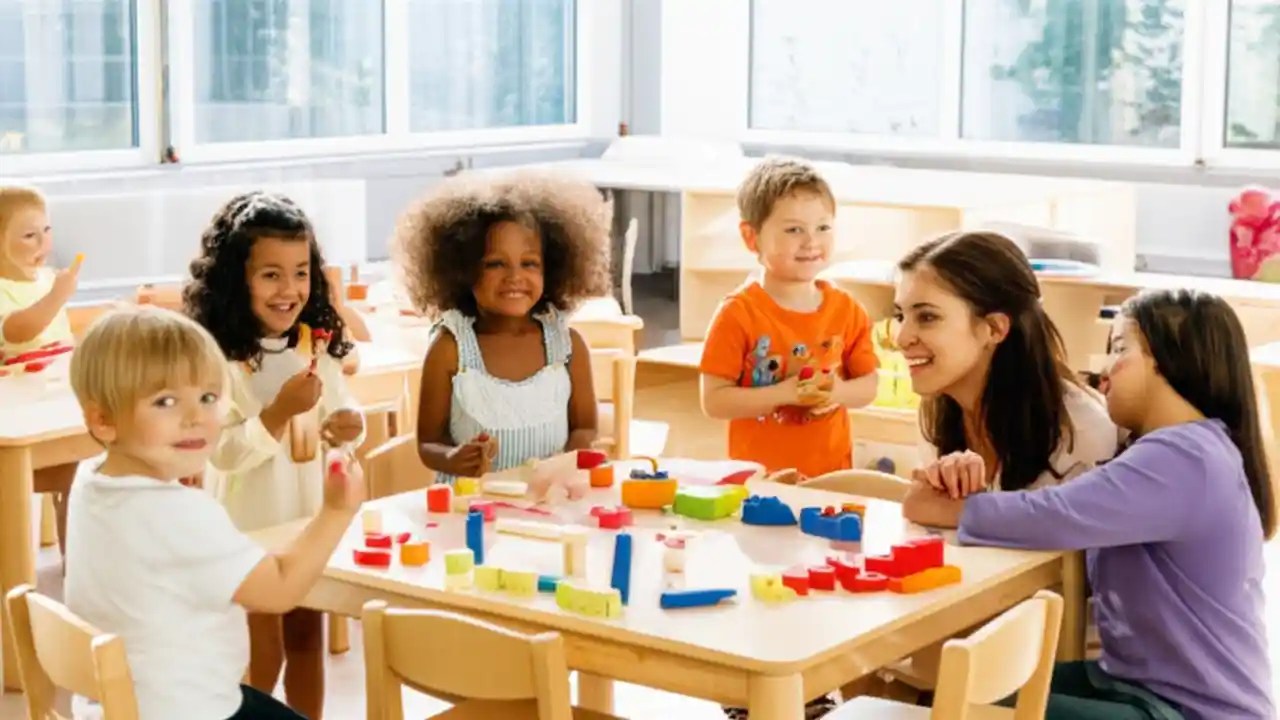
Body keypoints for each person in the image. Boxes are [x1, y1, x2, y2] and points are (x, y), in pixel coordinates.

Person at [907, 289, 1274, 720]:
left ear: (1169, 358)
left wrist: (952, 509)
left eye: (1119, 349)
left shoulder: (1184, 456)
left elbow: (1054, 514)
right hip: (1132, 685)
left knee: (962, 704)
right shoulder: (1185, 450)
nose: (1103, 372)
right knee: (962, 690)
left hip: (1188, 710)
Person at [63, 306, 365, 720]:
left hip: (112, 708)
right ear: (102, 419)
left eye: (207, 397)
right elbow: (279, 592)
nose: (195, 419)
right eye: (165, 401)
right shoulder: (180, 514)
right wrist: (336, 510)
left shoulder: (90, 483)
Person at [184, 191, 364, 720]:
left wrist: (350, 427)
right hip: (247, 530)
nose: (290, 290)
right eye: (271, 275)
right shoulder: (218, 359)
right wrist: (277, 415)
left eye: (301, 273)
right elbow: (223, 455)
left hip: (308, 522)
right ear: (236, 280)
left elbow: (345, 413)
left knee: (308, 639)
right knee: (262, 650)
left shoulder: (315, 346)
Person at [393, 170, 610, 486]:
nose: (514, 277)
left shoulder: (567, 346)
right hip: (470, 513)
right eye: (495, 263)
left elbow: (586, 426)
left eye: (529, 263)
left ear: (552, 268)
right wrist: (453, 458)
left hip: (548, 505)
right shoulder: (450, 348)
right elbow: (428, 442)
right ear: (462, 271)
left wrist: (575, 454)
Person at [895, 231, 1118, 505]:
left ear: (994, 328)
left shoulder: (1081, 432)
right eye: (900, 316)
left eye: (927, 317)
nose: (901, 338)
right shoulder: (935, 416)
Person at [699, 157, 879, 482]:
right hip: (759, 480)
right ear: (751, 238)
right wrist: (786, 394)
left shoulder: (847, 309)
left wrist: (835, 393)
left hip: (832, 478)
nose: (811, 241)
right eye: (794, 229)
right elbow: (714, 401)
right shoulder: (738, 313)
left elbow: (869, 386)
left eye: (823, 227)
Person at [0, 184, 81, 557]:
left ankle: (76, 561)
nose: (43, 244)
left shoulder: (48, 279)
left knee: (84, 471)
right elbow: (18, 333)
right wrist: (57, 297)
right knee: (74, 474)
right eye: (29, 236)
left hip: (55, 397)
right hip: (17, 410)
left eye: (46, 231)